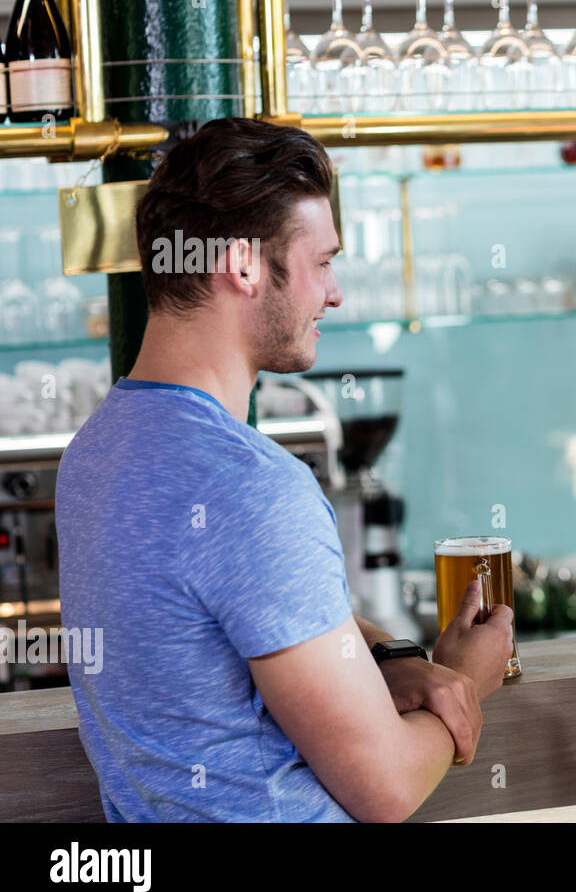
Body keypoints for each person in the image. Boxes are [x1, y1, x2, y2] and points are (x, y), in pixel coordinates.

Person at [56, 117, 513, 823]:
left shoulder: (95, 449)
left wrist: (392, 655)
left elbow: (243, 610)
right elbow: (386, 788)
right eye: (322, 262)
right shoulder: (250, 487)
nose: (334, 294)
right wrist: (467, 680)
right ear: (241, 265)